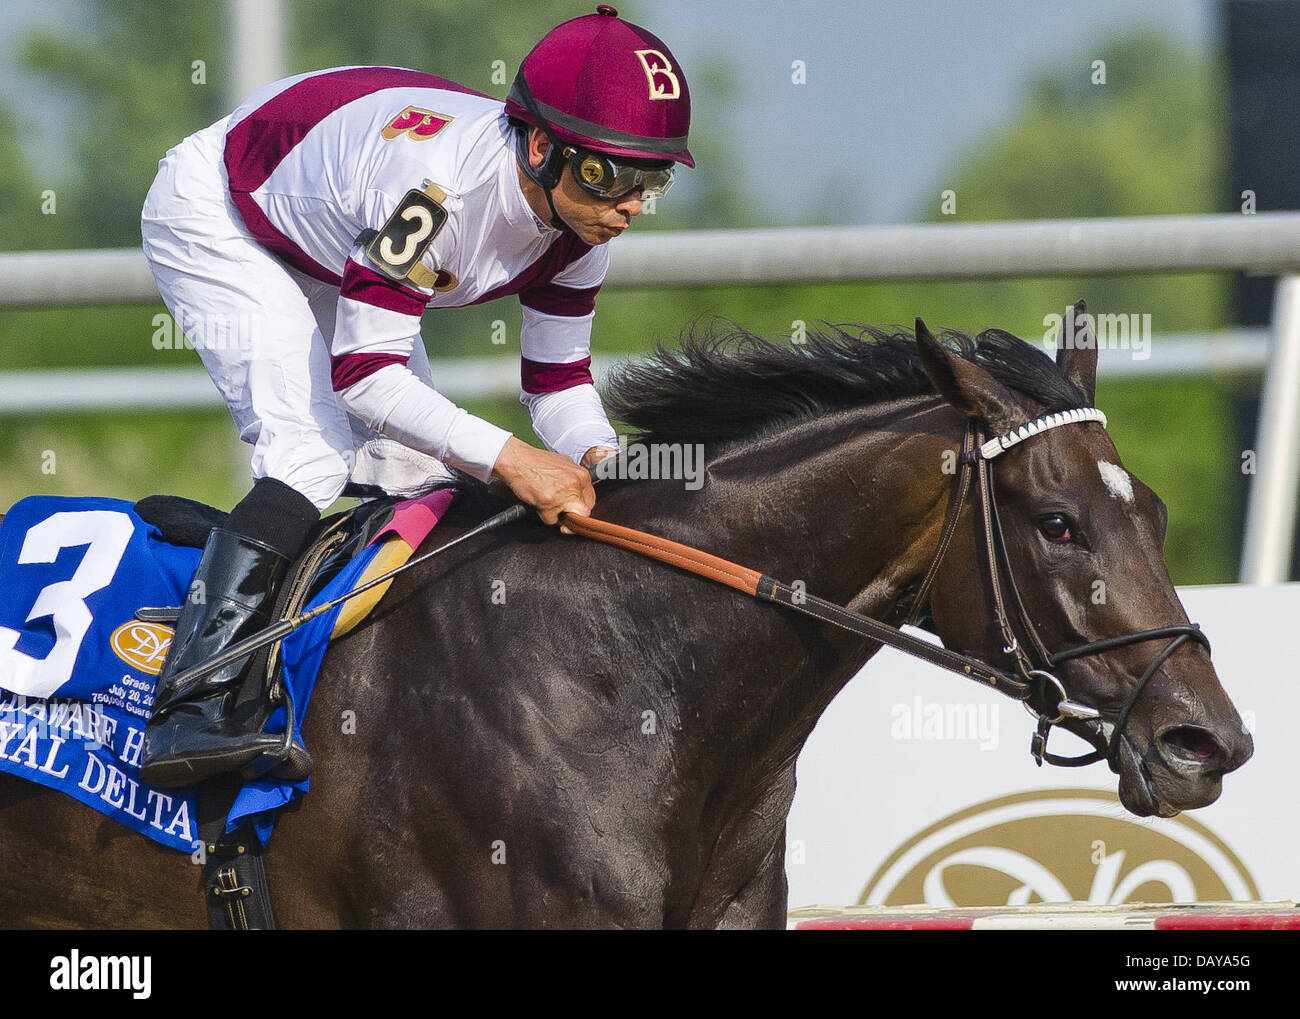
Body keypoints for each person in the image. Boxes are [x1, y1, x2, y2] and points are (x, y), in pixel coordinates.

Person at [136, 5, 693, 788]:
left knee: (423, 485)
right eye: (614, 175)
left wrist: (603, 459)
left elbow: (558, 384)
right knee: (313, 449)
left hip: (329, 231)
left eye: (653, 179)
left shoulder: (583, 226)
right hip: (221, 210)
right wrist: (513, 460)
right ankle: (189, 709)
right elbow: (366, 377)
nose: (632, 204)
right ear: (542, 146)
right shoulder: (437, 193)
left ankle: (323, 663)